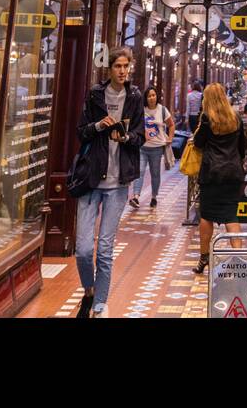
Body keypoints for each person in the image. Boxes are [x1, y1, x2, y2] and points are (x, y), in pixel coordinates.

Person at [74, 46, 144, 318]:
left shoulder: (135, 96)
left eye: (127, 66)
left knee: (104, 247)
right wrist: (100, 126)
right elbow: (81, 132)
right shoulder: (95, 95)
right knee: (83, 249)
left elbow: (140, 136)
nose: (123, 71)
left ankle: (100, 304)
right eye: (118, 66)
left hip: (118, 182)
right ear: (110, 68)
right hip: (90, 180)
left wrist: (126, 138)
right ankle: (89, 292)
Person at [192, 82, 246, 275]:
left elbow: (198, 143)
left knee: (206, 216)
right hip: (232, 173)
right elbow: (242, 147)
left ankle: (204, 257)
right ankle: (238, 258)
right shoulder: (236, 117)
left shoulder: (207, 118)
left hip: (212, 174)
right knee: (231, 215)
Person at [130, 85, 174, 209]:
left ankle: (154, 196)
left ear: (157, 96)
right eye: (149, 96)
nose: (151, 98)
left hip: (157, 148)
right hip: (142, 147)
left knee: (155, 174)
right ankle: (136, 197)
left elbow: (171, 125)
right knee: (140, 171)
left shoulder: (162, 110)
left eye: (153, 95)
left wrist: (170, 138)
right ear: (146, 98)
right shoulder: (141, 110)